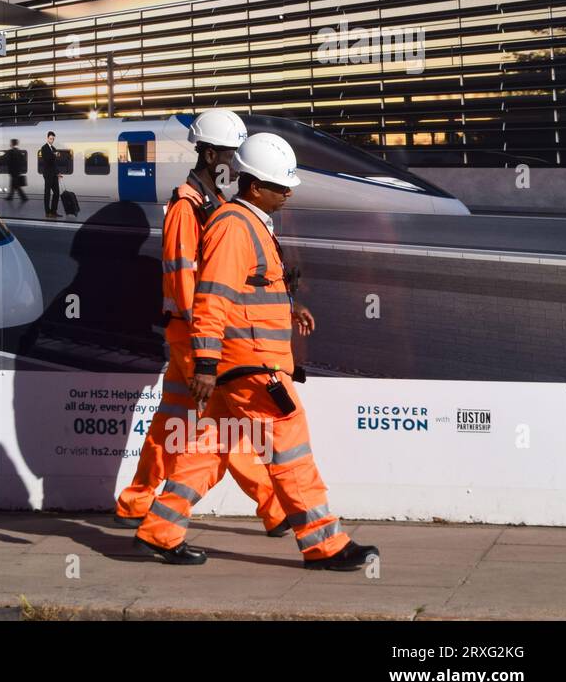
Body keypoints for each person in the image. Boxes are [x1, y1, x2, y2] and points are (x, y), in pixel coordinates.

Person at [133, 132, 379, 571]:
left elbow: (253, 289)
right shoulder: (233, 226)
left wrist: (289, 305)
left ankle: (159, 531)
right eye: (280, 186)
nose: (287, 194)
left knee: (208, 449)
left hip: (242, 366)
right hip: (251, 367)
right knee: (290, 451)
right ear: (254, 186)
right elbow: (211, 297)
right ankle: (324, 545)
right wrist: (205, 362)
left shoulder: (249, 224)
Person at [115, 110, 287, 543]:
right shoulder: (187, 208)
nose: (239, 163)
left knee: (172, 422)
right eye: (232, 153)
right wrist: (210, 338)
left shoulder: (213, 206)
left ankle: (136, 501)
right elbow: (183, 277)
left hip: (191, 337)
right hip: (195, 337)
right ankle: (273, 507)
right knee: (225, 427)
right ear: (212, 155)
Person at [38, 131, 62, 217]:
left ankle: (54, 211)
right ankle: (47, 212)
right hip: (47, 174)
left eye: (53, 139)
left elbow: (55, 163)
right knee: (47, 193)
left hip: (54, 174)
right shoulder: (44, 148)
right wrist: (54, 154)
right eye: (51, 139)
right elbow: (47, 160)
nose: (52, 140)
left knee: (57, 192)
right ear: (47, 138)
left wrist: (58, 173)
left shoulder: (54, 148)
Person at [5, 139, 28, 203]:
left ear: (12, 144)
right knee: (13, 184)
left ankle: (24, 197)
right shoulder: (19, 152)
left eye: (11, 143)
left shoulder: (10, 152)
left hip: (12, 171)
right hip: (18, 171)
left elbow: (7, 161)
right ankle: (10, 196)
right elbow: (23, 161)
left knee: (16, 185)